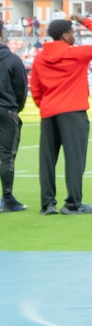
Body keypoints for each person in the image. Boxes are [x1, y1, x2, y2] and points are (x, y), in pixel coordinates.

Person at [29, 14, 92, 215]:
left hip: (49, 112)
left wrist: (46, 106)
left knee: (47, 159)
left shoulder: (40, 58)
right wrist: (85, 20)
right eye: (73, 33)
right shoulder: (77, 54)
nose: (74, 36)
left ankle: (47, 204)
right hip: (73, 111)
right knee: (75, 159)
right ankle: (73, 203)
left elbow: (36, 88)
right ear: (66, 36)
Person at [0, 34, 27, 211]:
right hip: (7, 110)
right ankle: (7, 198)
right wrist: (16, 108)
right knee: (6, 155)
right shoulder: (12, 59)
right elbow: (21, 88)